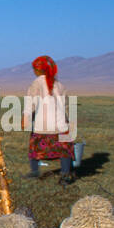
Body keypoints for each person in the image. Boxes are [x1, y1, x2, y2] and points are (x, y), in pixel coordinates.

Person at [25, 55, 74, 184]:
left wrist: (26, 117)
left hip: (43, 125)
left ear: (38, 70)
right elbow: (66, 104)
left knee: (35, 149)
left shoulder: (36, 84)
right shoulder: (59, 85)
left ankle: (35, 172)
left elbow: (31, 102)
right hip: (60, 124)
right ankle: (65, 175)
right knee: (64, 150)